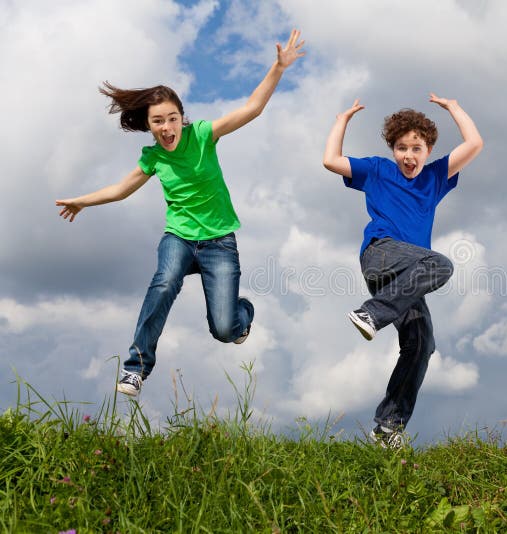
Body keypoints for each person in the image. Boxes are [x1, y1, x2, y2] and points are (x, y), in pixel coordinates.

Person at [56, 30, 305, 397]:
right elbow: (121, 189)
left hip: (219, 241)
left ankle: (243, 315)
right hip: (179, 237)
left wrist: (278, 68)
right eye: (158, 122)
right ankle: (136, 368)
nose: (167, 128)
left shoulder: (204, 135)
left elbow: (251, 109)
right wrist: (82, 201)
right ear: (148, 125)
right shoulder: (154, 156)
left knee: (224, 330)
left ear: (182, 117)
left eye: (172, 119)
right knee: (163, 283)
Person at [322, 93, 483, 446]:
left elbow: (474, 143)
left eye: (416, 148)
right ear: (392, 149)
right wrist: (341, 120)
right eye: (401, 148)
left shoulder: (437, 177)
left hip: (407, 276)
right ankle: (371, 313)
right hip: (381, 255)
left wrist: (455, 108)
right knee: (440, 264)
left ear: (428, 150)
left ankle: (387, 428)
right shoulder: (378, 170)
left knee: (422, 344)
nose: (408, 156)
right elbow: (331, 160)